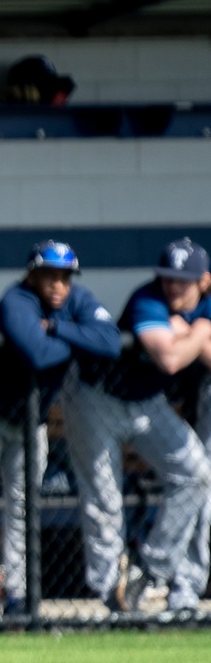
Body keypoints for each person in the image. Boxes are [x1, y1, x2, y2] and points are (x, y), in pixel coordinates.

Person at [0, 242, 119, 620]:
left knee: (23, 510)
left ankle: (17, 598)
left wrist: (60, 329)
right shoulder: (16, 299)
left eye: (64, 277)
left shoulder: (74, 303)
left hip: (33, 424)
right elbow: (38, 353)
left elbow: (109, 343)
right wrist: (79, 339)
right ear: (32, 274)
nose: (59, 285)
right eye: (50, 275)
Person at [65, 238, 211, 614]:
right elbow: (171, 359)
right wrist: (202, 334)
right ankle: (109, 598)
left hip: (147, 404)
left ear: (204, 282)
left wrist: (192, 332)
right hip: (97, 399)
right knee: (104, 501)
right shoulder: (148, 298)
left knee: (195, 474)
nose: (173, 286)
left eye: (184, 279)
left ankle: (150, 570)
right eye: (168, 278)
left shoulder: (204, 305)